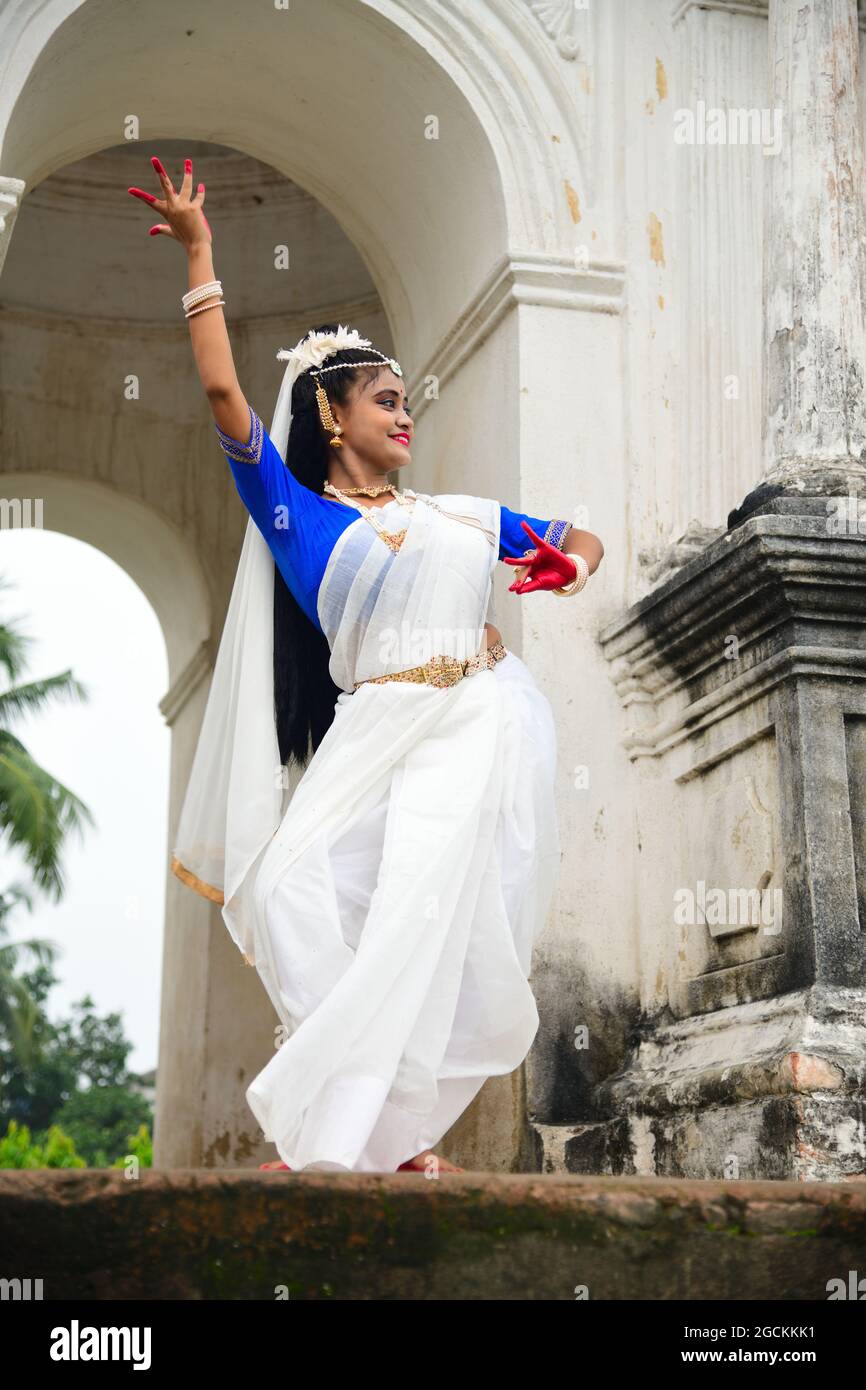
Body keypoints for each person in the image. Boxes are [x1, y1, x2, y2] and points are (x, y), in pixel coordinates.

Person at [128, 156, 605, 1175]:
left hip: (469, 726)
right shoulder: (295, 515)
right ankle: (380, 1131)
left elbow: (575, 537)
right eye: (384, 400)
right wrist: (202, 255)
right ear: (331, 415)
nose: (404, 414)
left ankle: (369, 1146)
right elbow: (220, 388)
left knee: (419, 917)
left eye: (406, 402)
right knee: (284, 886)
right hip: (371, 730)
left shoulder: (458, 518)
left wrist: (563, 564)